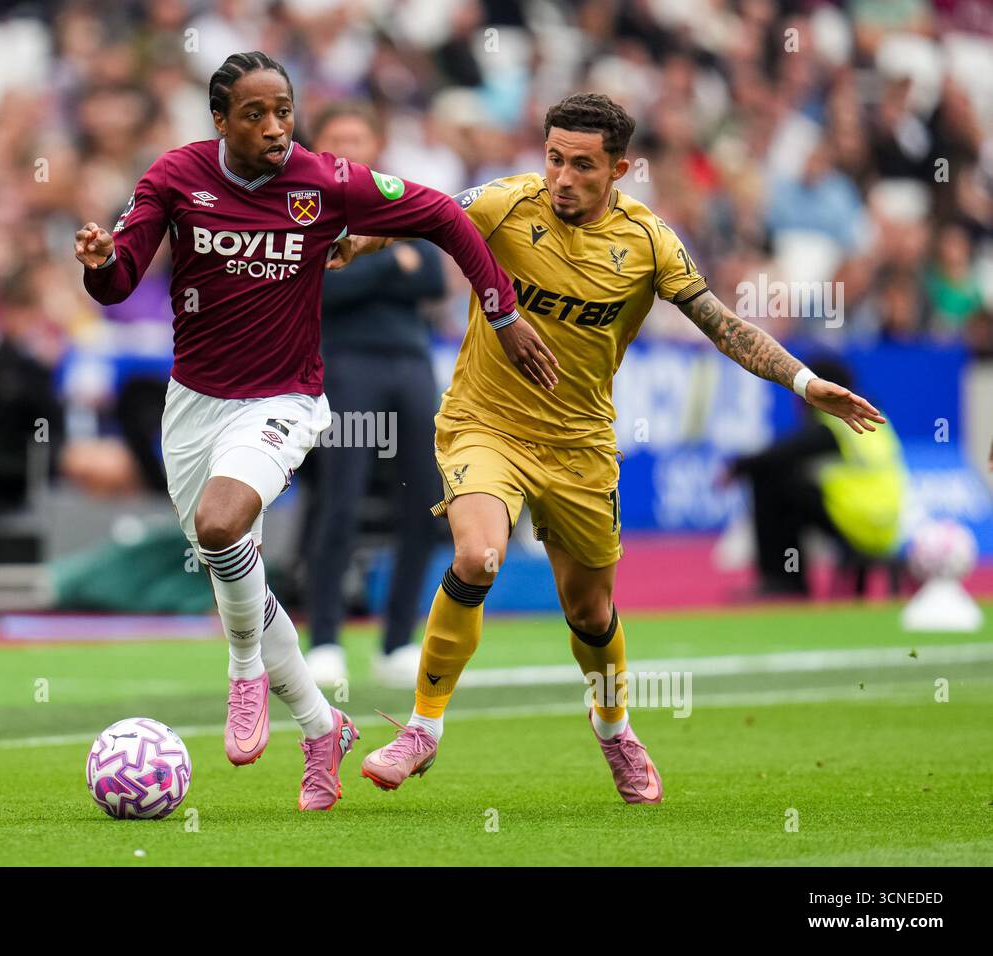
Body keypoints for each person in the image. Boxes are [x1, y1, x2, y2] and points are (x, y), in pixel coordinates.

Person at [342, 93, 883, 804]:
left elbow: (722, 324)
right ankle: (423, 728)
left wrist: (805, 380)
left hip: (579, 444)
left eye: (583, 166)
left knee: (591, 614)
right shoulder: (506, 203)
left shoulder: (650, 242)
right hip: (486, 423)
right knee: (477, 555)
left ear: (620, 169)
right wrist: (351, 242)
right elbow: (424, 216)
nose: (563, 178)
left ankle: (615, 729)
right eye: (554, 159)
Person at [75, 51, 555, 811]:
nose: (275, 127)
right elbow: (117, 283)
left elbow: (442, 215)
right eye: (256, 114)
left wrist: (503, 312)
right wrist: (100, 262)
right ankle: (322, 726)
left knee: (222, 525)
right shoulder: (173, 176)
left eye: (284, 111)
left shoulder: (326, 182)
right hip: (193, 406)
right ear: (220, 120)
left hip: (283, 400)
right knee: (234, 565)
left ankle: (242, 674)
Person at [302, 102, 446, 689]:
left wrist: (362, 261)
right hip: (347, 365)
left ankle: (397, 641)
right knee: (341, 497)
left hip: (411, 366)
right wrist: (391, 260)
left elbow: (434, 277)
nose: (348, 149)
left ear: (378, 143)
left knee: (425, 502)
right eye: (337, 140)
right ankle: (327, 638)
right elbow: (319, 291)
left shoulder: (400, 200)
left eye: (358, 138)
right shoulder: (307, 211)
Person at [727, 358, 905, 596]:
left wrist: (735, 468)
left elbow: (775, 455)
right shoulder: (877, 417)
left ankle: (782, 581)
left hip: (856, 523)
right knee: (792, 485)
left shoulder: (834, 424)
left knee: (771, 477)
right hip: (887, 527)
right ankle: (789, 578)